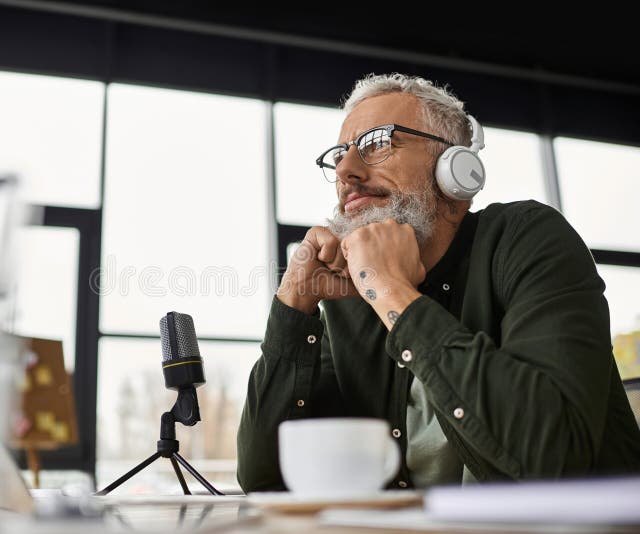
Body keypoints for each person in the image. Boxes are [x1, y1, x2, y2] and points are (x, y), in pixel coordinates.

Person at [236, 72, 640, 492]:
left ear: (455, 168)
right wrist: (292, 308)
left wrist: (393, 293)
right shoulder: (350, 297)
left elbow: (554, 456)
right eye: (339, 155)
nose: (346, 171)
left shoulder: (527, 237)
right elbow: (265, 478)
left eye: (377, 142)